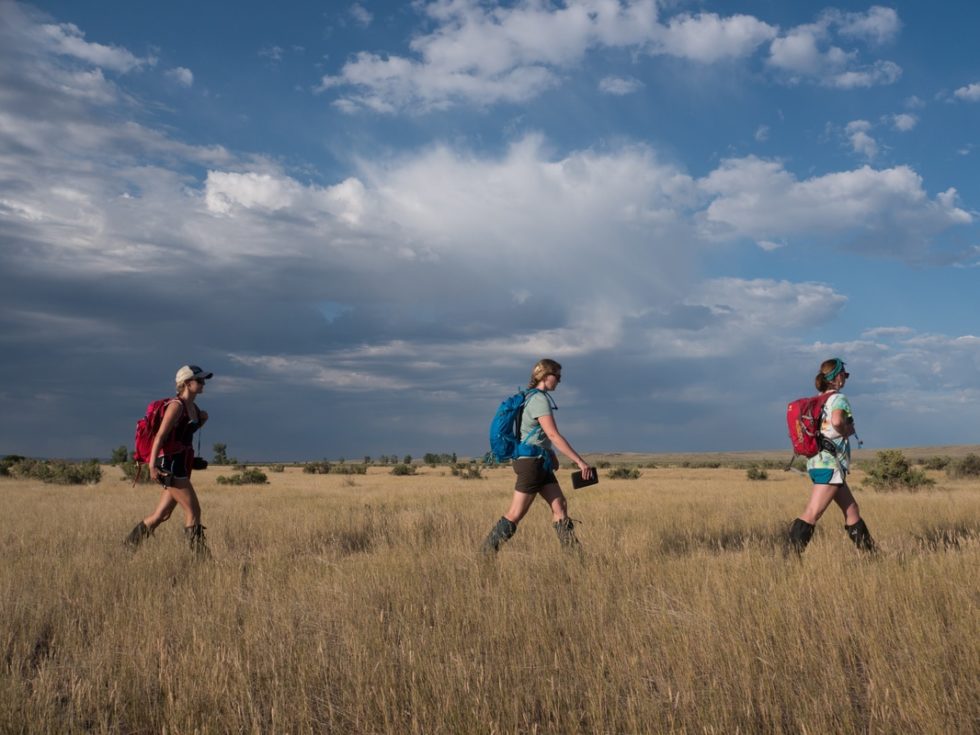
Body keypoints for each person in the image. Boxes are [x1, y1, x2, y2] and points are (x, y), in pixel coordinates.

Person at [481, 359, 594, 553]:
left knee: (560, 506)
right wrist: (580, 462)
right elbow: (552, 434)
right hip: (531, 464)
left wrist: (550, 454)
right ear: (545, 376)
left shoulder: (529, 397)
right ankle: (485, 554)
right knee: (515, 513)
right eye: (557, 376)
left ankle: (576, 558)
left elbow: (536, 435)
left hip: (540, 461)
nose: (559, 380)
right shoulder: (539, 399)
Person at [789, 358, 875, 553]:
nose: (845, 378)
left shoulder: (820, 400)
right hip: (830, 464)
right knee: (812, 513)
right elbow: (836, 421)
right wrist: (847, 429)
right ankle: (788, 557)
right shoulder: (839, 399)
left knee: (852, 509)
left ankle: (872, 555)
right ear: (837, 377)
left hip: (819, 462)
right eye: (844, 374)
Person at [125, 365, 212, 556]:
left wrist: (201, 421)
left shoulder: (194, 408)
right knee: (194, 510)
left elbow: (183, 435)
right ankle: (201, 559)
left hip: (180, 463)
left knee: (162, 515)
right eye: (199, 380)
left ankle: (127, 547)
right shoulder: (176, 406)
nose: (203, 383)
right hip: (170, 466)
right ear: (187, 383)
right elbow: (160, 437)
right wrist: (152, 466)